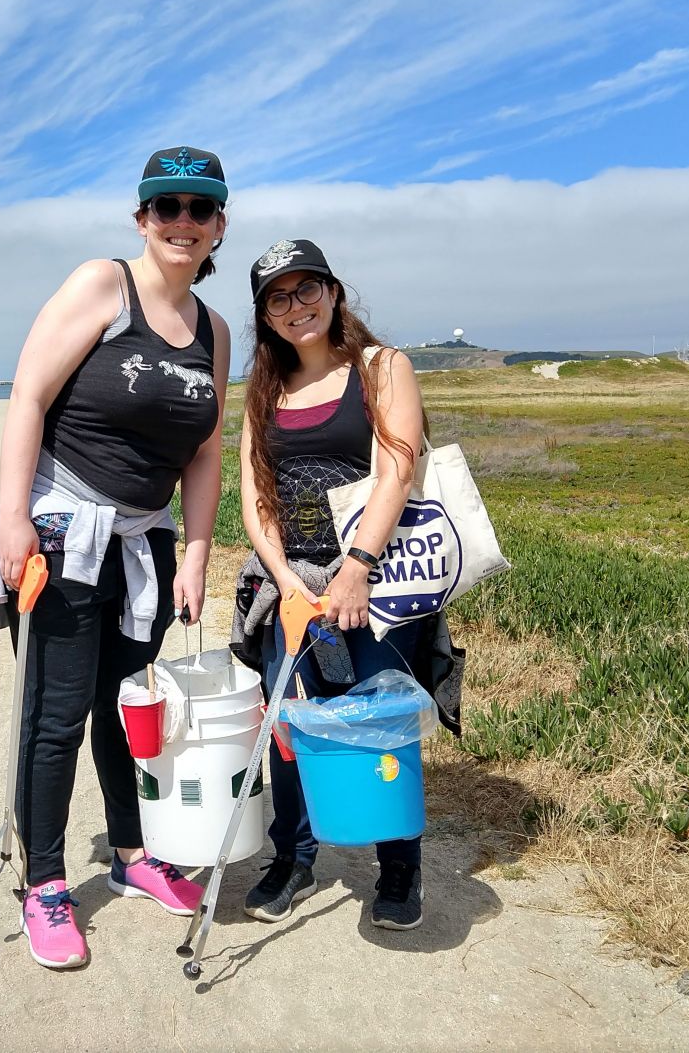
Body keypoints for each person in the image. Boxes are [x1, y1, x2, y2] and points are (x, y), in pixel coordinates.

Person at [0, 145, 232, 969]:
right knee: (56, 715)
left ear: (219, 224)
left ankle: (130, 854)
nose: (182, 220)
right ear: (141, 217)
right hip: (64, 530)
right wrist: (14, 517)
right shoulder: (101, 286)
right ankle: (44, 880)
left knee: (127, 709)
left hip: (145, 541)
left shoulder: (216, 331)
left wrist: (195, 552)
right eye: (166, 206)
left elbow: (206, 452)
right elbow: (28, 394)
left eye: (199, 207)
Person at [236, 238, 429, 930]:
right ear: (265, 316)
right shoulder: (265, 389)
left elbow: (398, 469)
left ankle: (399, 866)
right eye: (277, 299)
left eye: (307, 288)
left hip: (371, 579)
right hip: (289, 584)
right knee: (289, 726)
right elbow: (256, 495)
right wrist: (286, 581)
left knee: (381, 720)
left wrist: (356, 566)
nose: (297, 307)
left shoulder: (382, 367)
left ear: (334, 291)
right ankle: (293, 856)